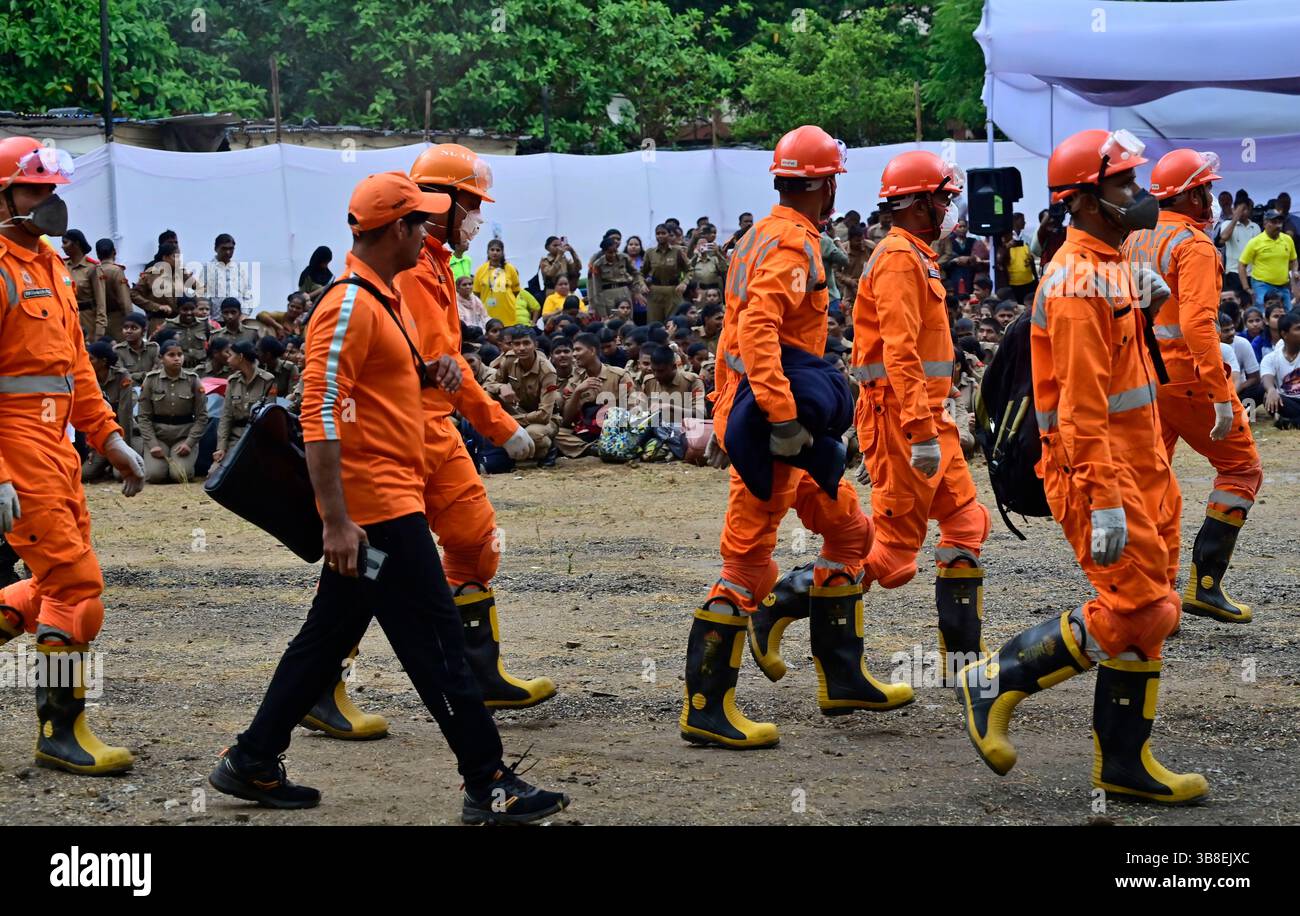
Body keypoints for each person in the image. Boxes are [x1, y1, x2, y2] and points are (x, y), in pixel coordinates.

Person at [207, 171, 568, 822]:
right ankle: (488, 781)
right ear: (395, 229)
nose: (431, 230)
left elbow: (375, 385)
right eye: (419, 222)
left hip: (380, 506)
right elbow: (318, 413)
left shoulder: (384, 297)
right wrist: (338, 524)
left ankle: (252, 760)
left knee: (325, 639)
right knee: (438, 647)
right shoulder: (348, 304)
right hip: (377, 513)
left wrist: (431, 371)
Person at [957, 128, 1206, 804]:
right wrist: (1103, 502)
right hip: (1101, 474)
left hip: (1143, 464)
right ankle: (995, 679)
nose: (1139, 195)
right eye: (1125, 183)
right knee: (1138, 610)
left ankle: (1124, 765)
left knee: (1157, 610)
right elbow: (1080, 413)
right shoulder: (1074, 282)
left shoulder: (1111, 262)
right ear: (1089, 199)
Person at [681, 125, 909, 752]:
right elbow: (758, 328)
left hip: (781, 416)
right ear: (825, 185)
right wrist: (782, 420)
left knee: (849, 533)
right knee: (749, 563)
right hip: (773, 423)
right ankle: (706, 709)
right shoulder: (789, 244)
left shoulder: (764, 233)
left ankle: (842, 678)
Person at [0, 135, 146, 775]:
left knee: (47, 589)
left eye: (53, 189)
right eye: (35, 190)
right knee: (77, 589)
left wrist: (108, 437)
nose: (48, 201)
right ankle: (61, 732)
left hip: (56, 449)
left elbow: (75, 369)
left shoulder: (52, 267)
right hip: (15, 449)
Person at [831, 148, 991, 685]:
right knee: (895, 556)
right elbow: (899, 352)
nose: (949, 206)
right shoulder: (899, 257)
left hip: (925, 415)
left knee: (967, 525)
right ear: (919, 202)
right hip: (902, 417)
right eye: (943, 197)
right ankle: (783, 613)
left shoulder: (914, 253)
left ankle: (964, 663)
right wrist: (922, 430)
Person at [1123, 148, 1262, 624]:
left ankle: (1156, 600)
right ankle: (1205, 586)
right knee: (1241, 470)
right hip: (1188, 380)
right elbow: (1200, 326)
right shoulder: (1195, 245)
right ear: (1194, 194)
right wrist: (1223, 398)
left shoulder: (1135, 237)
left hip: (1143, 377)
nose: (1212, 197)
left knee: (1152, 482)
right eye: (1207, 188)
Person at [555, 331, 635, 458]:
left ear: (592, 351)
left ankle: (597, 446)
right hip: (585, 431)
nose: (574, 354)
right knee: (554, 434)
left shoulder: (618, 375)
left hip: (615, 430)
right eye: (574, 350)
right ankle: (592, 449)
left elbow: (633, 409)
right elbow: (566, 421)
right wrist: (577, 392)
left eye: (578, 350)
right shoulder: (575, 381)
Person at [138, 339, 207, 483]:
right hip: (159, 437)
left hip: (183, 436)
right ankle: (162, 465)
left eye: (180, 354)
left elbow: (202, 417)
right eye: (171, 355)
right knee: (154, 476)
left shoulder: (193, 380)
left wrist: (189, 443)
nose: (177, 358)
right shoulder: (151, 380)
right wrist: (152, 444)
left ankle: (183, 465)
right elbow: (144, 417)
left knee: (180, 476)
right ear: (161, 358)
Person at [212, 340, 275, 465]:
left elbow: (269, 417)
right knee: (215, 475)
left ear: (240, 357)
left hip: (257, 438)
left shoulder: (268, 380)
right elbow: (226, 417)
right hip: (236, 438)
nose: (228, 360)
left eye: (230, 355)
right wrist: (221, 447)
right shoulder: (233, 381)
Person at [81, 342, 136, 482]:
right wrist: (91, 449)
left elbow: (125, 415)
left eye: (91, 358)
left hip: (122, 433)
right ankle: (106, 465)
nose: (87, 361)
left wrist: (125, 447)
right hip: (102, 434)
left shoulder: (122, 377)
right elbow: (87, 416)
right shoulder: (87, 379)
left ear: (103, 361)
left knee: (120, 475)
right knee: (85, 474)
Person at [1238, 209, 1298, 309]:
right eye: (1274, 222)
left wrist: (1294, 272)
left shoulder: (1287, 239)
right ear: (1265, 223)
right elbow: (1242, 264)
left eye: (1280, 222)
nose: (1278, 225)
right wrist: (1247, 288)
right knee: (1264, 312)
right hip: (1262, 285)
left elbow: (1294, 260)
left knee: (1288, 313)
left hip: (1283, 285)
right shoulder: (1255, 242)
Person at [642, 345, 706, 424]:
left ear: (673, 367)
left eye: (661, 371)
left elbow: (700, 413)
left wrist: (669, 407)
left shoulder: (692, 381)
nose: (656, 375)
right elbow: (642, 412)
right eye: (653, 370)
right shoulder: (649, 381)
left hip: (685, 431)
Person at [642, 223, 689, 325]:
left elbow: (689, 270)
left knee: (672, 323)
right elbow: (641, 273)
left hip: (673, 291)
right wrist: (642, 284)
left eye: (663, 233)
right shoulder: (650, 253)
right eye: (658, 233)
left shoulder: (678, 251)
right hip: (655, 291)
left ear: (669, 235)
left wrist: (684, 283)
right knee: (654, 324)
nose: (660, 236)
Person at [589, 235, 645, 319]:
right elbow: (597, 289)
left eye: (615, 251)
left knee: (628, 319)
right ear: (604, 252)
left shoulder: (624, 258)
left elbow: (635, 273)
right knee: (613, 320)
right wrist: (603, 314)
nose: (613, 255)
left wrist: (636, 290)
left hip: (624, 292)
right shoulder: (597, 265)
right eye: (610, 252)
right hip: (608, 295)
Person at [199, 233, 255, 316]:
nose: (228, 252)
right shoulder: (207, 269)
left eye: (231, 249)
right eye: (224, 249)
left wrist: (244, 315)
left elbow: (247, 295)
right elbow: (202, 296)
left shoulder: (239, 269)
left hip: (237, 320)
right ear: (216, 249)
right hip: (216, 320)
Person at [63, 229, 104, 341]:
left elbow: (101, 301)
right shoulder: (62, 265)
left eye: (65, 242)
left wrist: (100, 329)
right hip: (67, 317)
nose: (62, 246)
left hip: (87, 318)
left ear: (76, 243)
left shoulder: (92, 268)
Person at [472, 238, 523, 326]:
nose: (495, 252)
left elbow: (516, 291)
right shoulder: (480, 270)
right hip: (488, 312)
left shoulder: (510, 268)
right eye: (492, 250)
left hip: (508, 312)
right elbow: (476, 293)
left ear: (502, 252)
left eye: (498, 250)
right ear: (487, 252)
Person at [1261, 312, 1300, 426]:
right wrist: (1271, 390)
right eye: (1298, 329)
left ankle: (1292, 422)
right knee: (1267, 396)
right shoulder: (1271, 358)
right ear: (1284, 334)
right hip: (1288, 402)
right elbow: (1266, 377)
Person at [1217, 198, 1261, 295]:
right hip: (1233, 272)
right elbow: (1224, 237)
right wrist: (1235, 219)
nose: (1242, 212)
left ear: (1250, 210)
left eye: (1245, 209)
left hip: (1252, 273)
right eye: (1239, 209)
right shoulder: (1227, 224)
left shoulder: (1255, 227)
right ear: (1234, 209)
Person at [163, 296, 211, 369]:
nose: (189, 313)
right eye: (185, 309)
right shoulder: (169, 325)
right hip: (178, 369)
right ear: (178, 309)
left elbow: (212, 342)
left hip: (200, 368)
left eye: (192, 309)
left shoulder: (204, 324)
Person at [112, 311, 159, 384]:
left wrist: (132, 375)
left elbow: (158, 373)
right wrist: (144, 375)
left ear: (143, 331)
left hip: (151, 387)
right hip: (129, 388)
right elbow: (122, 376)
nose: (128, 331)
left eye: (134, 328)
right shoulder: (118, 350)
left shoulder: (153, 348)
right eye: (125, 327)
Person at [256, 335, 298, 401]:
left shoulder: (290, 369)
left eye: (259, 351)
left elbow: (292, 395)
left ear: (268, 355)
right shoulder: (260, 368)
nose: (257, 354)